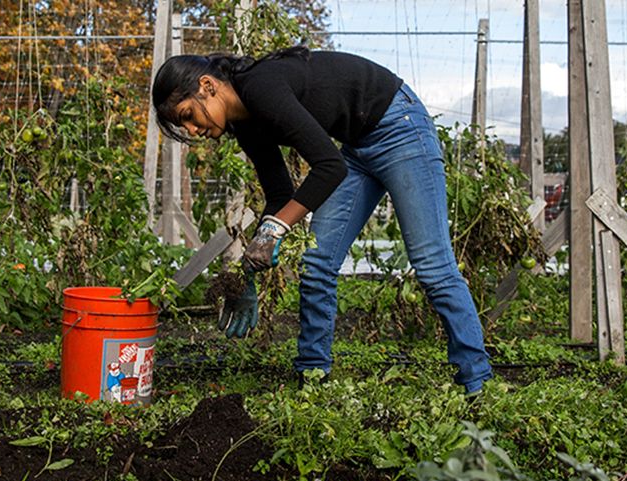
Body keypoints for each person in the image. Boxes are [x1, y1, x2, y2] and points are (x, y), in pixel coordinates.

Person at [151, 47, 492, 395]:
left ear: (207, 85)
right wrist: (246, 275)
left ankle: (477, 382)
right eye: (184, 126)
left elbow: (329, 167)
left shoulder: (261, 87)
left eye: (188, 115)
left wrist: (275, 228)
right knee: (317, 263)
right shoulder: (245, 125)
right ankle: (313, 380)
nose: (192, 130)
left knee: (432, 266)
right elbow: (281, 197)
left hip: (400, 128)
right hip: (358, 148)